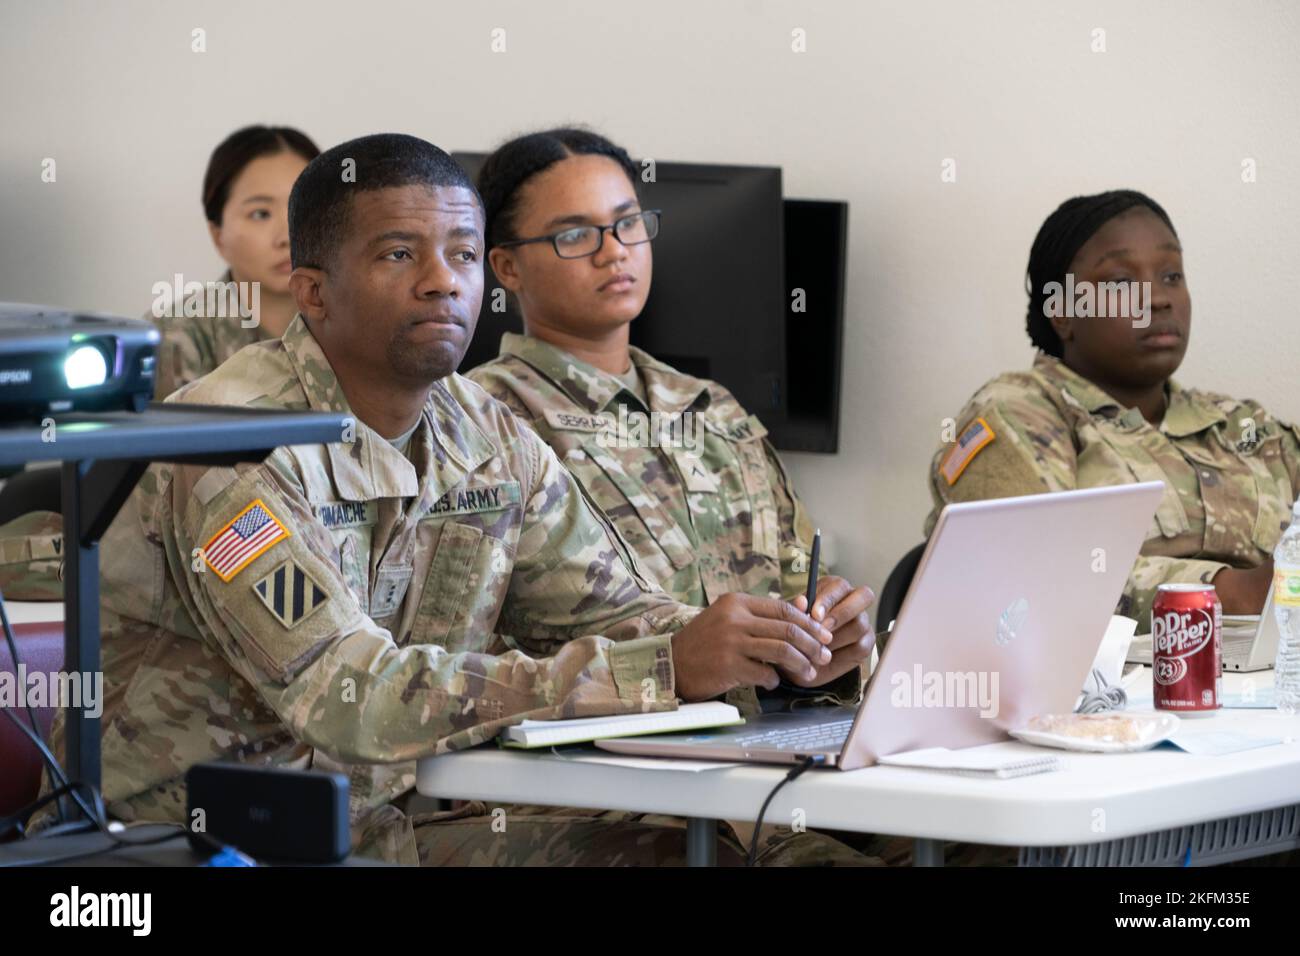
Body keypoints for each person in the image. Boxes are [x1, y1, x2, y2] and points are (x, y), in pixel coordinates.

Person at [23, 133, 877, 866]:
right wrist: (660, 669)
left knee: (724, 850)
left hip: (404, 822)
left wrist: (770, 649)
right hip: (194, 842)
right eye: (400, 255)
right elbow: (351, 697)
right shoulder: (234, 442)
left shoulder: (484, 430)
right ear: (314, 290)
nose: (443, 282)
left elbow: (606, 615)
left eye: (463, 256)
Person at [466, 128, 873, 716]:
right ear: (507, 266)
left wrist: (826, 641)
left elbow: (797, 578)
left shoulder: (714, 409)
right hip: (594, 781)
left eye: (628, 223)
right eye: (576, 235)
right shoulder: (483, 421)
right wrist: (668, 664)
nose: (615, 251)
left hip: (754, 759)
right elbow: (458, 653)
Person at [926, 189, 1300, 623]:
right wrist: (1227, 595)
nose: (1159, 298)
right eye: (1122, 282)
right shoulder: (1021, 413)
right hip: (1104, 688)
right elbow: (1030, 576)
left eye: (1171, 276)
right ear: (1063, 312)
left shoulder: (1241, 425)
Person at [152, 125, 320, 397]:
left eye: (301, 209)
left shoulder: (362, 325)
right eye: (261, 214)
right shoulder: (172, 338)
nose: (286, 237)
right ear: (218, 235)